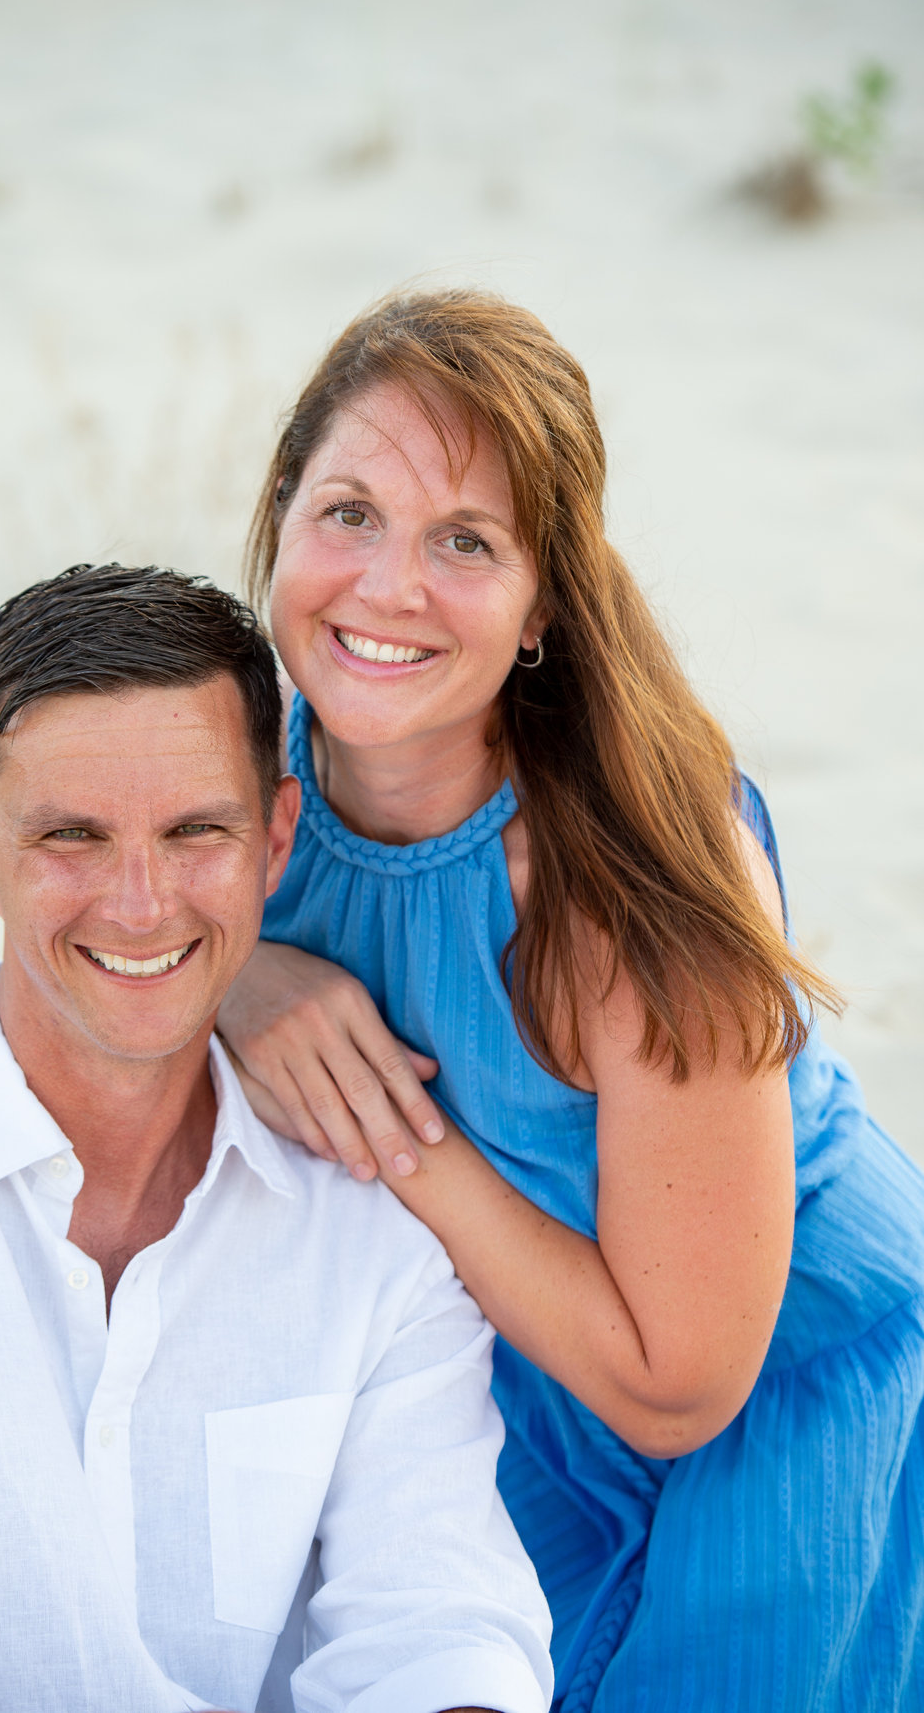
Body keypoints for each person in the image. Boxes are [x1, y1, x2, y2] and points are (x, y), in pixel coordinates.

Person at [215, 289, 924, 1712]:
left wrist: (383, 1130)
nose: (386, 584)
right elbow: (65, 944)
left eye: (463, 541)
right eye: (348, 510)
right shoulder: (229, 779)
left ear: (542, 601)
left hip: (765, 1407)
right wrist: (235, 974)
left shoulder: (627, 866)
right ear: (279, 516)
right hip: (481, 1401)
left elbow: (678, 1379)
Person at [0, 564, 556, 1713]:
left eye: (196, 830)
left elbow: (439, 1633)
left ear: (277, 837)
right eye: (72, 836)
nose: (139, 903)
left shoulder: (374, 1215)